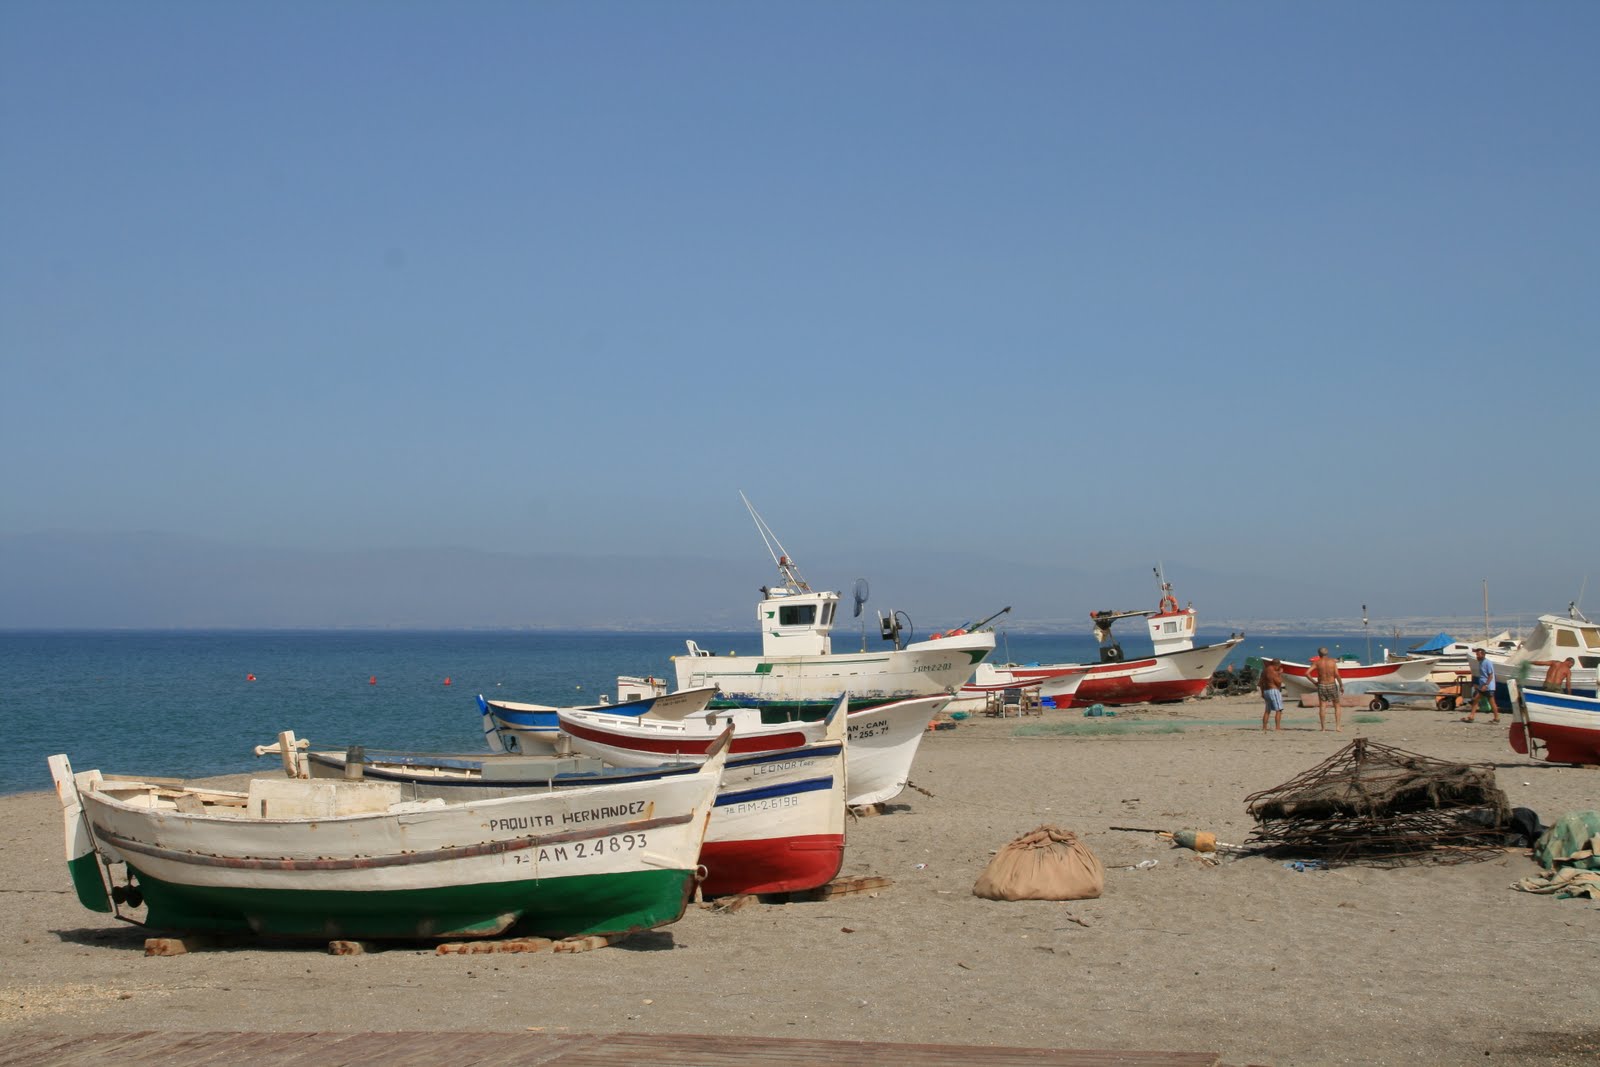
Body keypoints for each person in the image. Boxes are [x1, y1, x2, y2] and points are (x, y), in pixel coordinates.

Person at [1308, 647, 1343, 732]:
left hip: (1322, 685)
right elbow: (1337, 675)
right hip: (1331, 684)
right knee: (1337, 705)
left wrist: (1314, 682)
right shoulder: (1332, 662)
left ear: (1319, 654)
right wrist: (1341, 685)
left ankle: (1323, 728)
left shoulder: (1317, 662)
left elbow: (1307, 673)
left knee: (1323, 706)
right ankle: (1338, 727)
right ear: (1327, 653)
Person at [1462, 648, 1498, 723]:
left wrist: (1486, 685)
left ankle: (1496, 718)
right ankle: (1471, 717)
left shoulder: (1488, 663)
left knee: (1492, 702)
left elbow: (1490, 675)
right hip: (1482, 686)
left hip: (1488, 687)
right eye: (1476, 655)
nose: (1477, 656)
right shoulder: (1481, 663)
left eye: (1478, 655)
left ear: (1483, 655)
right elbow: (1482, 676)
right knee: (1476, 700)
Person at [1259, 659, 1285, 732]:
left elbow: (1260, 683)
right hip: (1273, 690)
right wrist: (1279, 674)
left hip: (1266, 691)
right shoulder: (1273, 672)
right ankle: (1278, 727)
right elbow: (1278, 682)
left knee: (1267, 710)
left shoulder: (1264, 671)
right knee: (1279, 710)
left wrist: (1262, 692)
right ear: (1277, 665)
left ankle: (1264, 727)